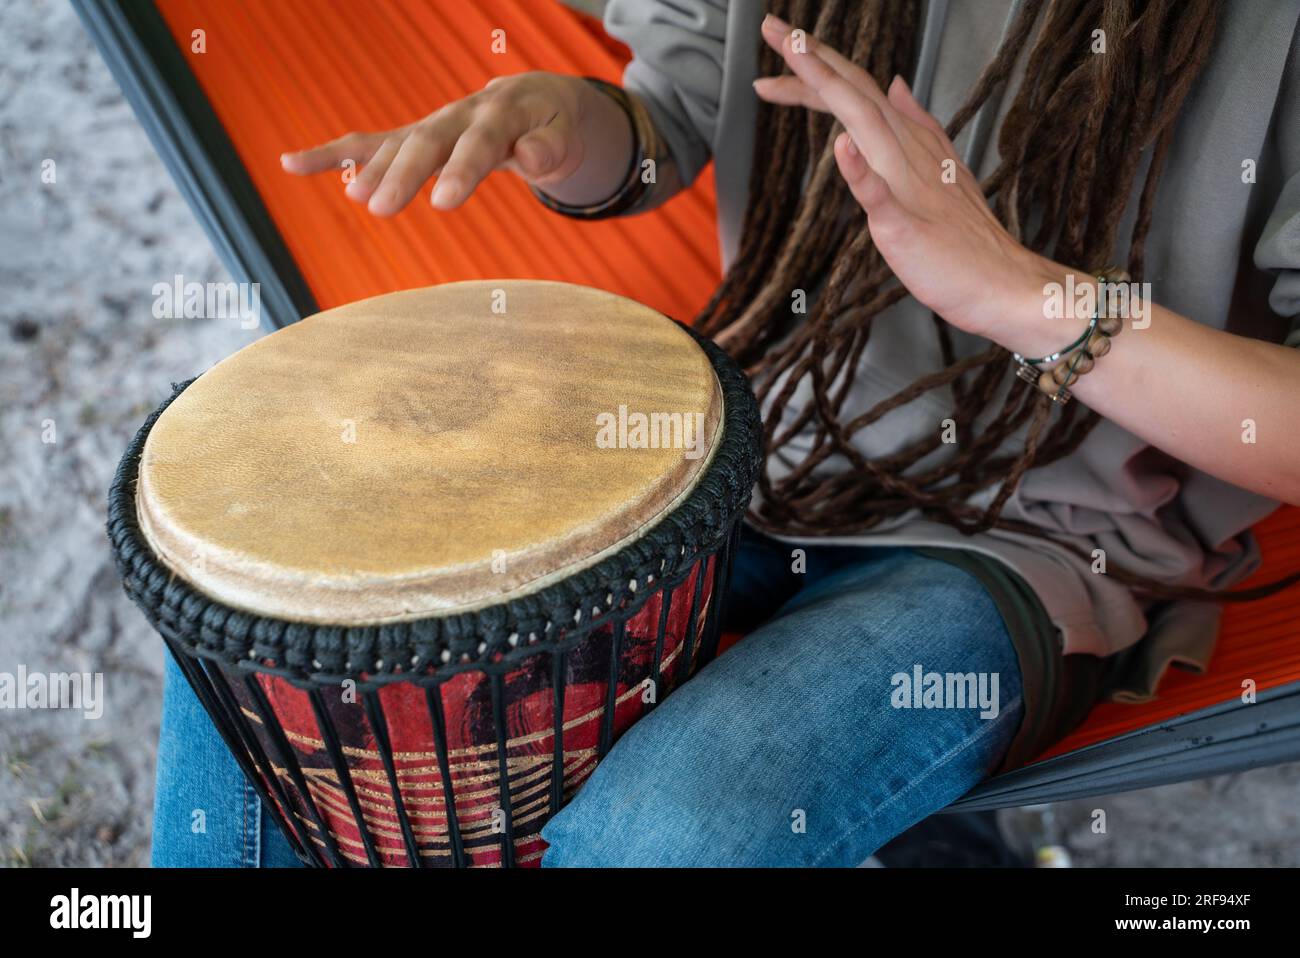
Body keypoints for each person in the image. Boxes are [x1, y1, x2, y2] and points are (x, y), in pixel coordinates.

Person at [153, 0, 1300, 866]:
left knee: (673, 828)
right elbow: (674, 120)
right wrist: (576, 127)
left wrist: (1022, 297)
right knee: (285, 632)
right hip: (728, 443)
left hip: (1034, 534)